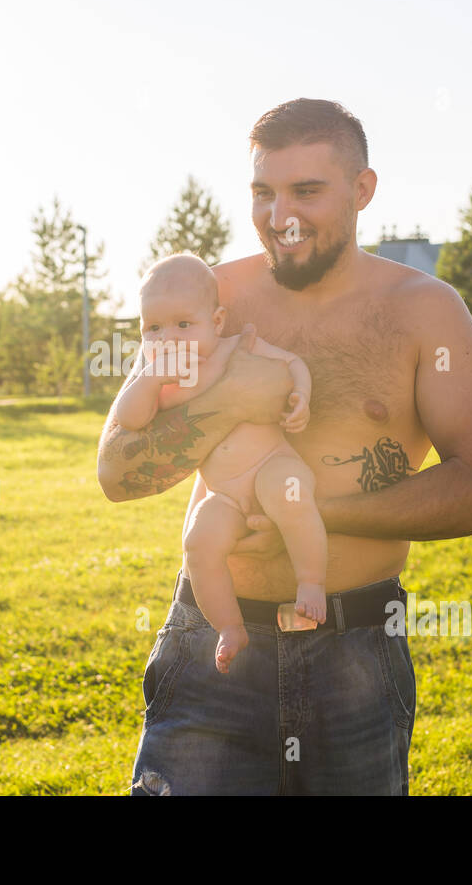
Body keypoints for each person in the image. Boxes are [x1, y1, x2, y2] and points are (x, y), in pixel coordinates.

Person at [96, 97, 472, 795]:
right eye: (263, 191)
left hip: (353, 653)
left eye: (307, 190)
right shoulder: (207, 299)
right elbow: (117, 471)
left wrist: (306, 509)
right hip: (213, 644)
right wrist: (231, 399)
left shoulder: (424, 310)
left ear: (362, 191)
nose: (279, 214)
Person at [114, 252, 327, 674]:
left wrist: (301, 395)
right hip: (225, 493)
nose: (168, 338)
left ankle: (311, 581)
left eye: (183, 325)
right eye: (153, 329)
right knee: (198, 542)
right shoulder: (163, 381)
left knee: (290, 495)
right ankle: (229, 627)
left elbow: (292, 363)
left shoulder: (239, 347)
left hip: (271, 463)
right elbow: (129, 419)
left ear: (216, 322)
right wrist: (150, 379)